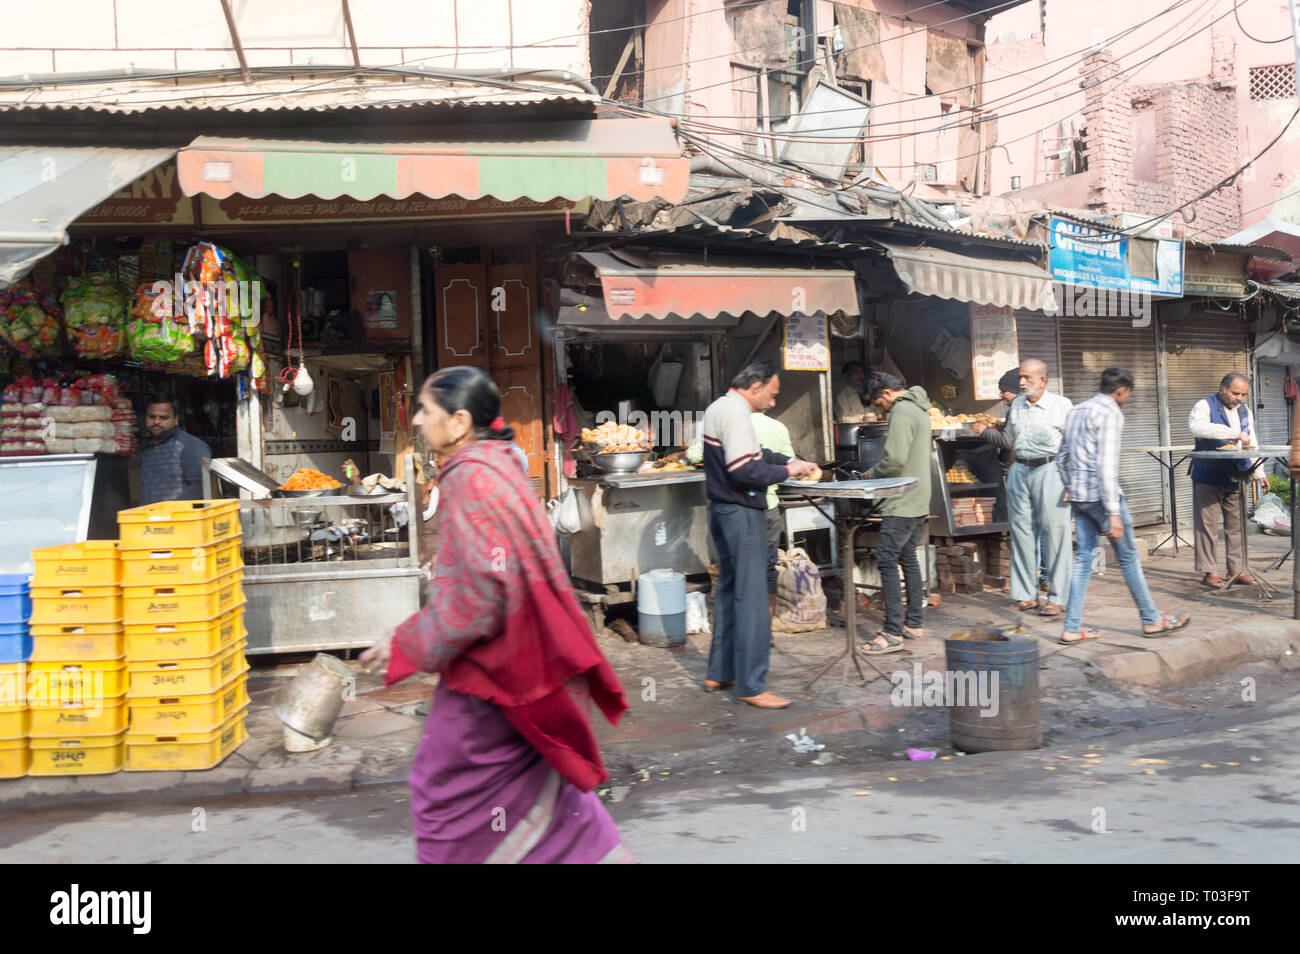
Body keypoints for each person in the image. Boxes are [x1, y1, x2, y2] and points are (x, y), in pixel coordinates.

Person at [359, 366, 634, 864]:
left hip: (498, 673)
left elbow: (477, 598)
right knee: (535, 777)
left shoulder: (472, 478)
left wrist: (406, 644)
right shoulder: (500, 462)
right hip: (529, 660)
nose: (418, 420)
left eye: (426, 410)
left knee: (444, 794)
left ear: (460, 422)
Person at [700, 360, 817, 709]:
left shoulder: (720, 406)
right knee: (752, 599)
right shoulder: (736, 413)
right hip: (741, 511)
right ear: (755, 386)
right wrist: (785, 470)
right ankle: (752, 684)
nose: (773, 401)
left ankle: (720, 672)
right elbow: (744, 470)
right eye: (772, 393)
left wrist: (790, 461)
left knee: (728, 591)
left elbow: (754, 454)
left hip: (721, 510)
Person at [1056, 367, 1191, 644]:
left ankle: (1071, 628)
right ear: (1121, 391)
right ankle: (1152, 620)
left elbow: (1061, 458)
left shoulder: (1077, 410)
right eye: (1128, 393)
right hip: (1103, 499)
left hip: (1080, 497)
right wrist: (1113, 513)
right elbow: (1107, 466)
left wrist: (1070, 486)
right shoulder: (1111, 413)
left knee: (1083, 560)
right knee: (1128, 558)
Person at [686, 408, 795, 611]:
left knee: (734, 567)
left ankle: (739, 619)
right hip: (769, 506)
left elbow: (694, 455)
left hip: (738, 508)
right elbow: (789, 461)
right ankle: (766, 624)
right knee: (768, 568)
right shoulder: (779, 427)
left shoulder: (728, 425)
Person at [859, 371, 932, 654]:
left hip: (902, 498)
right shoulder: (920, 407)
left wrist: (872, 474)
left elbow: (895, 459)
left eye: (879, 404)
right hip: (919, 495)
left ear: (887, 393)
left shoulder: (901, 410)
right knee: (907, 556)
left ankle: (891, 632)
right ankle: (913, 622)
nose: (881, 410)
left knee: (886, 559)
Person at [1003, 359, 1073, 616]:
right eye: (1021, 377)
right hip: (1020, 470)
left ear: (1043, 380)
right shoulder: (1017, 405)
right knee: (1021, 533)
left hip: (1051, 470)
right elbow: (1011, 440)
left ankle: (1057, 597)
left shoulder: (1061, 405)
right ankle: (1026, 595)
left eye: (1027, 378)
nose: (1021, 383)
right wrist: (1012, 472)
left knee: (1055, 534)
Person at [1188, 373, 1261, 587]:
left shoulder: (1245, 411)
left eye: (1243, 394)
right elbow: (1197, 427)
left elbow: (1252, 440)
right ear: (1222, 389)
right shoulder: (1204, 405)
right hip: (1209, 475)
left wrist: (1259, 472)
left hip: (1238, 475)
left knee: (1237, 526)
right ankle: (1209, 571)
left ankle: (1237, 570)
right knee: (1207, 526)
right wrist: (1234, 433)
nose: (1239, 398)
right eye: (1235, 393)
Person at [137, 395, 212, 506]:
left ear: (176, 420)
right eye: (152, 417)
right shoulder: (146, 450)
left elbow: (200, 485)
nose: (156, 421)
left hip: (180, 519)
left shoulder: (189, 445)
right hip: (150, 519)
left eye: (163, 418)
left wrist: (169, 510)